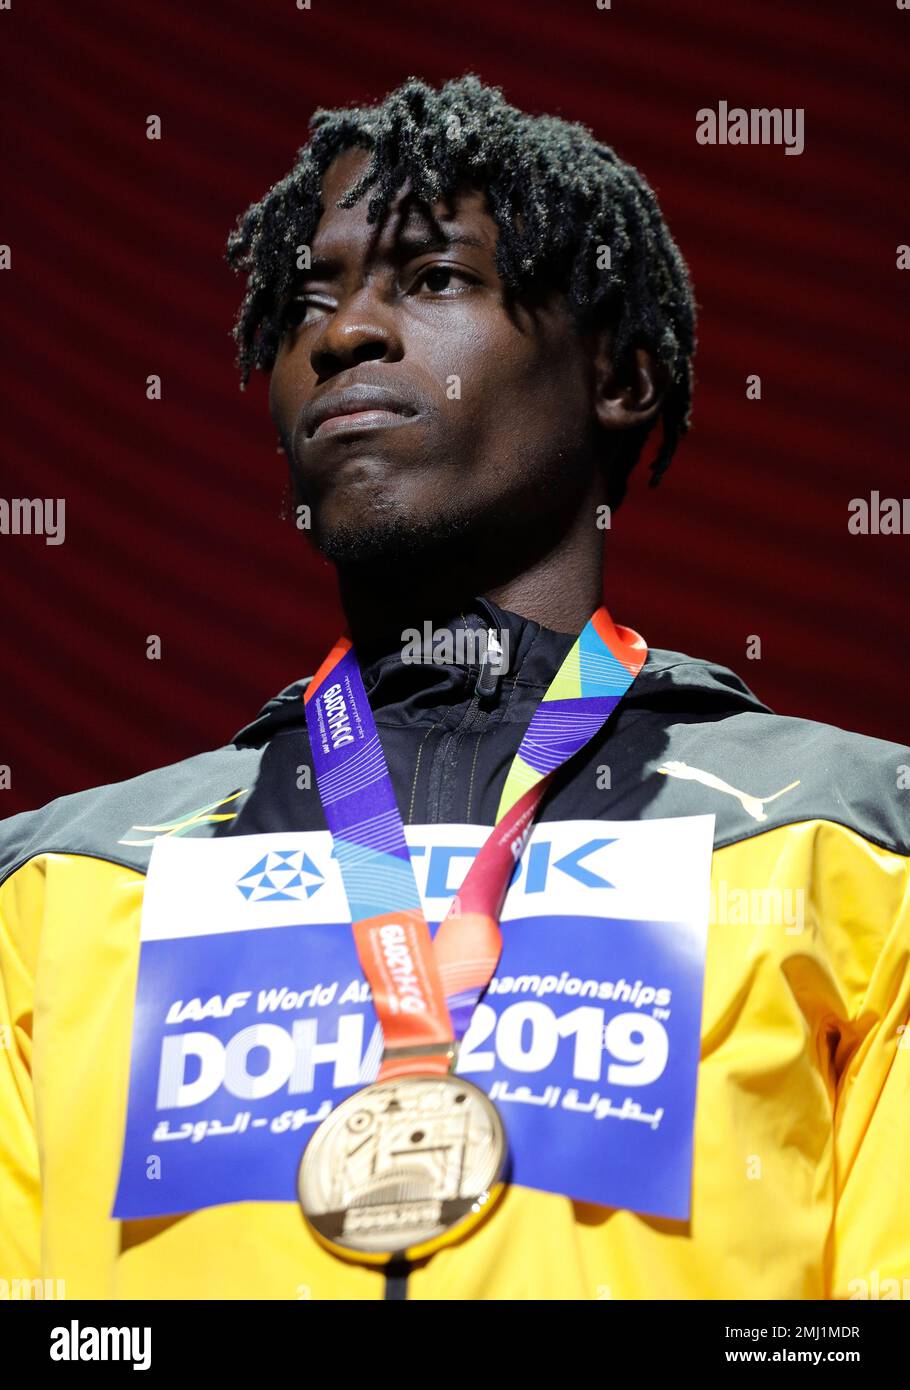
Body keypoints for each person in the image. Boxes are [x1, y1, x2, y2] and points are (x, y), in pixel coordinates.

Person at [1, 74, 908, 1303]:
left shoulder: (858, 839)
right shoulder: (51, 882)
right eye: (307, 302)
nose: (342, 335)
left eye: (434, 280)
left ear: (620, 377)